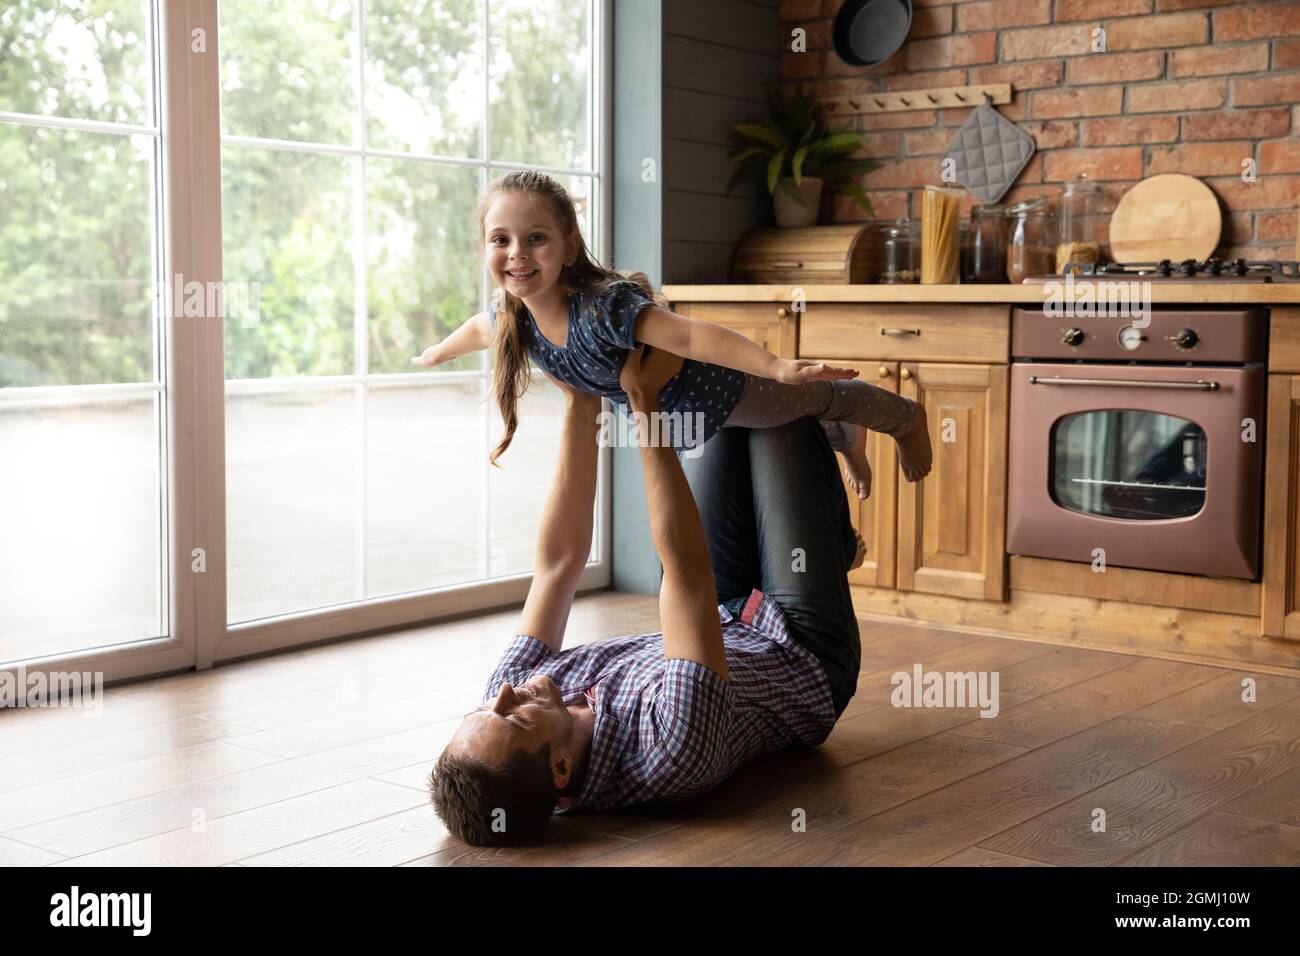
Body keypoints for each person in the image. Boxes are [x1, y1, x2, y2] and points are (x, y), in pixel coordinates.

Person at [428, 341, 889, 847]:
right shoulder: (668, 754)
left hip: (721, 609)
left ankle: (818, 541)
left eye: (487, 708)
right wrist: (645, 407)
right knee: (783, 414)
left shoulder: (512, 694)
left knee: (726, 409)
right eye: (514, 717)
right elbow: (686, 574)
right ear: (560, 769)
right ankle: (825, 538)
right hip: (801, 650)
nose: (505, 694)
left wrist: (581, 402)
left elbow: (559, 563)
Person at [412, 168, 932, 499]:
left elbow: (689, 337)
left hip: (726, 389)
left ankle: (904, 417)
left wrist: (776, 367)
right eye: (500, 239)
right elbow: (481, 329)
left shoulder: (602, 308)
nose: (517, 253)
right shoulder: (514, 317)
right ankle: (846, 441)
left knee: (812, 399)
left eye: (536, 238)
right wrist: (440, 350)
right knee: (781, 441)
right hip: (679, 422)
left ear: (570, 247)